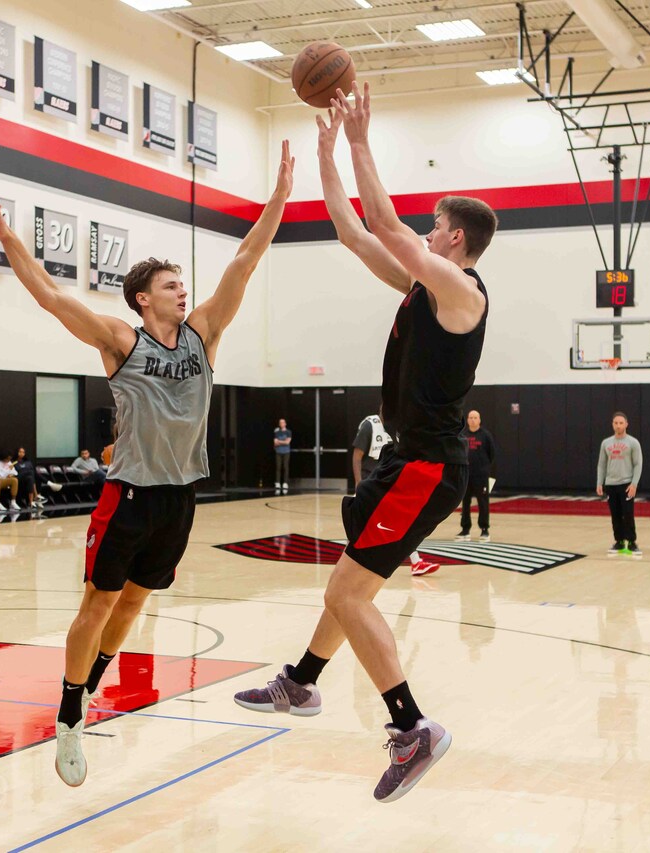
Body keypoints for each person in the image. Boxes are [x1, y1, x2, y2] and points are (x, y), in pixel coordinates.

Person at [0, 138, 292, 787]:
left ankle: (91, 682)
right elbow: (53, 300)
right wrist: (8, 240)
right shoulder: (121, 341)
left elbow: (247, 260)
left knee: (136, 602)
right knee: (98, 602)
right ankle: (68, 714)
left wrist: (280, 194)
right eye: (171, 285)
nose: (183, 291)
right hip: (130, 495)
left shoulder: (204, 334)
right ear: (143, 298)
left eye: (181, 285)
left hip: (180, 499)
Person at [233, 85, 494, 803]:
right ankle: (303, 682)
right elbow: (356, 232)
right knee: (353, 583)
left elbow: (385, 221)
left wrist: (357, 137)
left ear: (455, 240)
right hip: (404, 459)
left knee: (347, 590)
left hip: (429, 463)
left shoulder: (462, 293)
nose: (424, 230)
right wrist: (326, 157)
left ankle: (413, 728)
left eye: (434, 226)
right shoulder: (420, 285)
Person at [351, 413, 441, 577]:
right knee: (365, 528)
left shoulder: (396, 428)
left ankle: (416, 562)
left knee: (395, 524)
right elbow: (357, 456)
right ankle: (356, 562)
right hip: (370, 483)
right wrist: (358, 482)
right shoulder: (369, 426)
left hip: (386, 482)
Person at [597, 412, 642, 556]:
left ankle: (632, 542)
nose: (618, 425)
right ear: (612, 424)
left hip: (626, 484)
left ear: (626, 424)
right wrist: (600, 482)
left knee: (628, 514)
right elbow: (601, 465)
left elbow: (638, 464)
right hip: (610, 484)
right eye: (616, 423)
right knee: (615, 515)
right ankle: (619, 541)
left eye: (621, 423)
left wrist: (634, 484)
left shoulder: (633, 442)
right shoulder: (606, 443)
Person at [456, 409, 496, 542]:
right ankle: (465, 529)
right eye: (470, 417)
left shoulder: (486, 435)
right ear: (467, 420)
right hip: (466, 476)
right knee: (465, 503)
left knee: (483, 503)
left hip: (481, 476)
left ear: (479, 420)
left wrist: (484, 469)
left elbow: (492, 454)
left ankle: (484, 530)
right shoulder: (463, 435)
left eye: (475, 418)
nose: (472, 420)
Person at [273, 418, 292, 493]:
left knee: (285, 467)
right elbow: (275, 443)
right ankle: (277, 483)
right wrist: (282, 442)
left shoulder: (288, 432)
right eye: (280, 422)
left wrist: (279, 441)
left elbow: (287, 442)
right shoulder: (277, 432)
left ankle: (285, 483)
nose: (281, 424)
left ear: (285, 423)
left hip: (286, 451)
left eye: (283, 422)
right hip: (278, 451)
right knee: (278, 466)